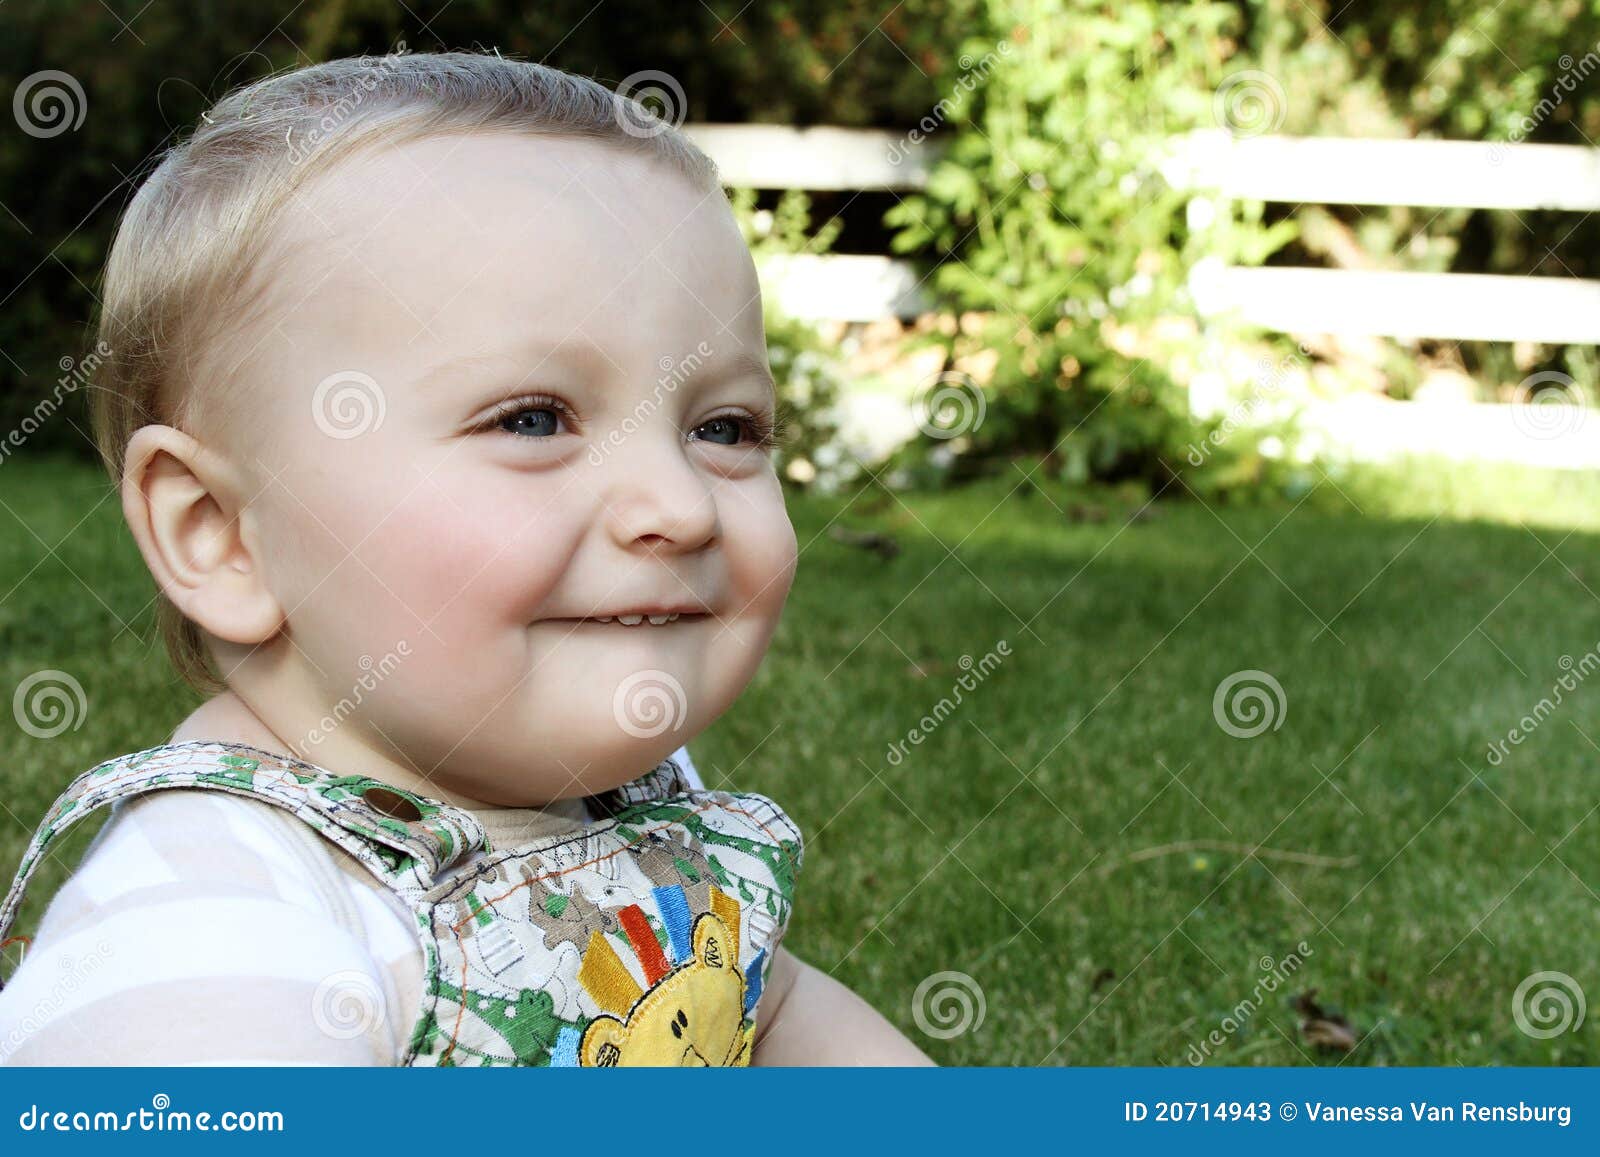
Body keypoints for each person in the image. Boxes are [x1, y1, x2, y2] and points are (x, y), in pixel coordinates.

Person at [0, 50, 932, 1067]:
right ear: (220, 532)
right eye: (532, 418)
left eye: (726, 427)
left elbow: (777, 1015)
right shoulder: (213, 931)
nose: (678, 503)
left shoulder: (640, 811)